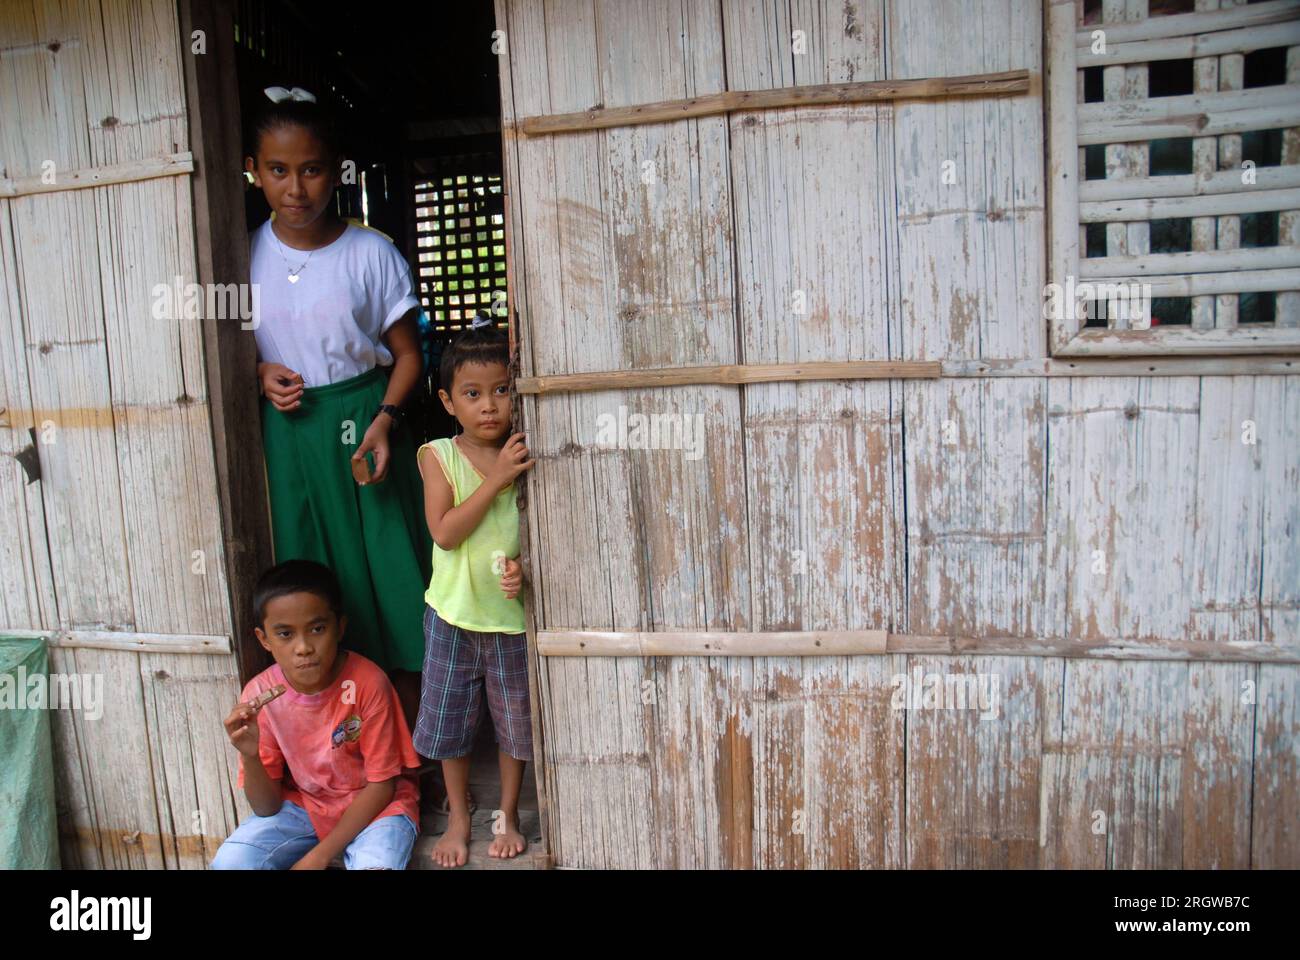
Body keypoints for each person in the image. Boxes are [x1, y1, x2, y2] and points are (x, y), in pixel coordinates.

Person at [244, 85, 429, 723]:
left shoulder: (369, 253)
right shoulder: (239, 255)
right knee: (313, 584)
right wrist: (260, 368)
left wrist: (386, 420)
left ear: (336, 172)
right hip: (290, 436)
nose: (296, 188)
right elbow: (216, 353)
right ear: (253, 170)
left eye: (312, 169)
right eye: (278, 170)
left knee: (390, 577)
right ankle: (340, 745)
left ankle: (417, 743)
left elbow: (410, 355)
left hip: (366, 426)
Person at [414, 318, 535, 867]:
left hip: (509, 619)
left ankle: (506, 814)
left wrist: (524, 570)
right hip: (454, 618)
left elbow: (540, 530)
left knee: (515, 723)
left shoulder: (525, 453)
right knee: (450, 719)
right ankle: (460, 816)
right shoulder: (436, 455)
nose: (489, 405)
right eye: (472, 394)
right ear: (447, 401)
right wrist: (497, 479)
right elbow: (445, 530)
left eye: (501, 390)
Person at [211, 560, 421, 870]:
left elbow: (382, 786)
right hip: (306, 805)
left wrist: (319, 857)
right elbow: (266, 808)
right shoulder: (261, 693)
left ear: (340, 628)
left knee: (377, 865)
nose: (304, 647)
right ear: (264, 639)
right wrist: (251, 756)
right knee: (231, 862)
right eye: (285, 634)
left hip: (377, 807)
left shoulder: (367, 683)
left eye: (317, 629)